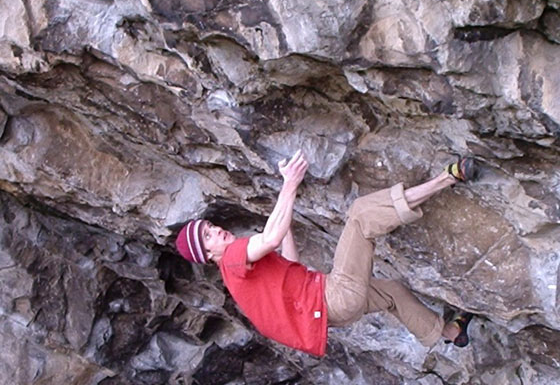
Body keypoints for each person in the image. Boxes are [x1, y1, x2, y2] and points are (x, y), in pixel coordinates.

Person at [175, 151, 477, 356]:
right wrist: (289, 185)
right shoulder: (231, 258)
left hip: (334, 310)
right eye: (206, 236)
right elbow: (269, 237)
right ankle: (448, 177)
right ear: (206, 254)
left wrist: (286, 227)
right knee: (360, 216)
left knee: (392, 293)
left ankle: (452, 333)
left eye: (211, 227)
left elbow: (289, 264)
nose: (215, 231)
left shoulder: (236, 275)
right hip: (333, 296)